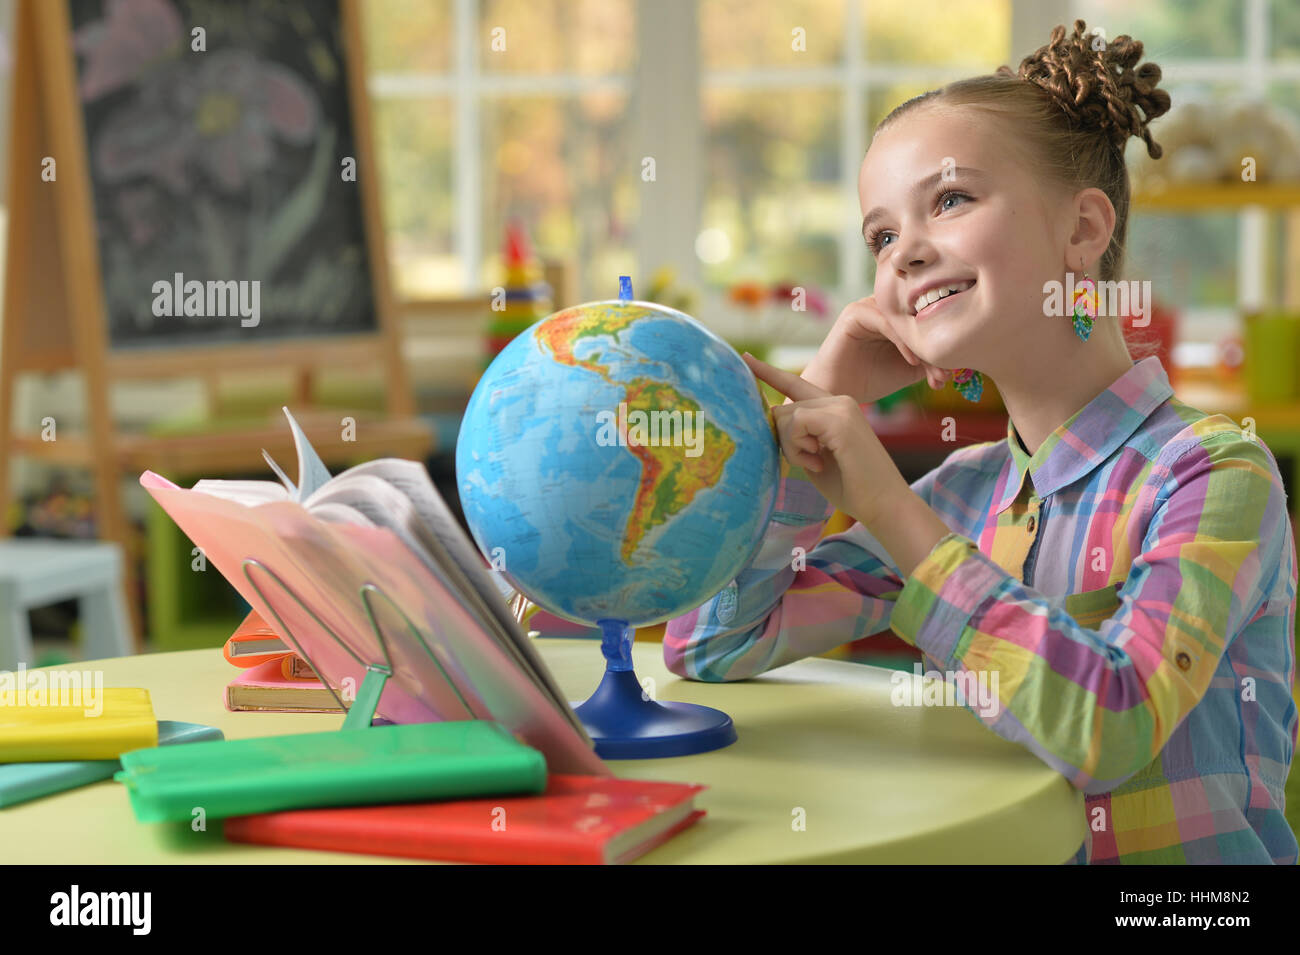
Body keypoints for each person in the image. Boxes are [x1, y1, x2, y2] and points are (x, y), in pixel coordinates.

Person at [664, 19, 1298, 865]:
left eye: (950, 200)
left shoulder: (1213, 473)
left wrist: (888, 505)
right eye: (881, 236)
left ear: (1082, 231)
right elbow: (711, 644)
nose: (905, 255)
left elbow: (1112, 723)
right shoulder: (963, 493)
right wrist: (817, 427)